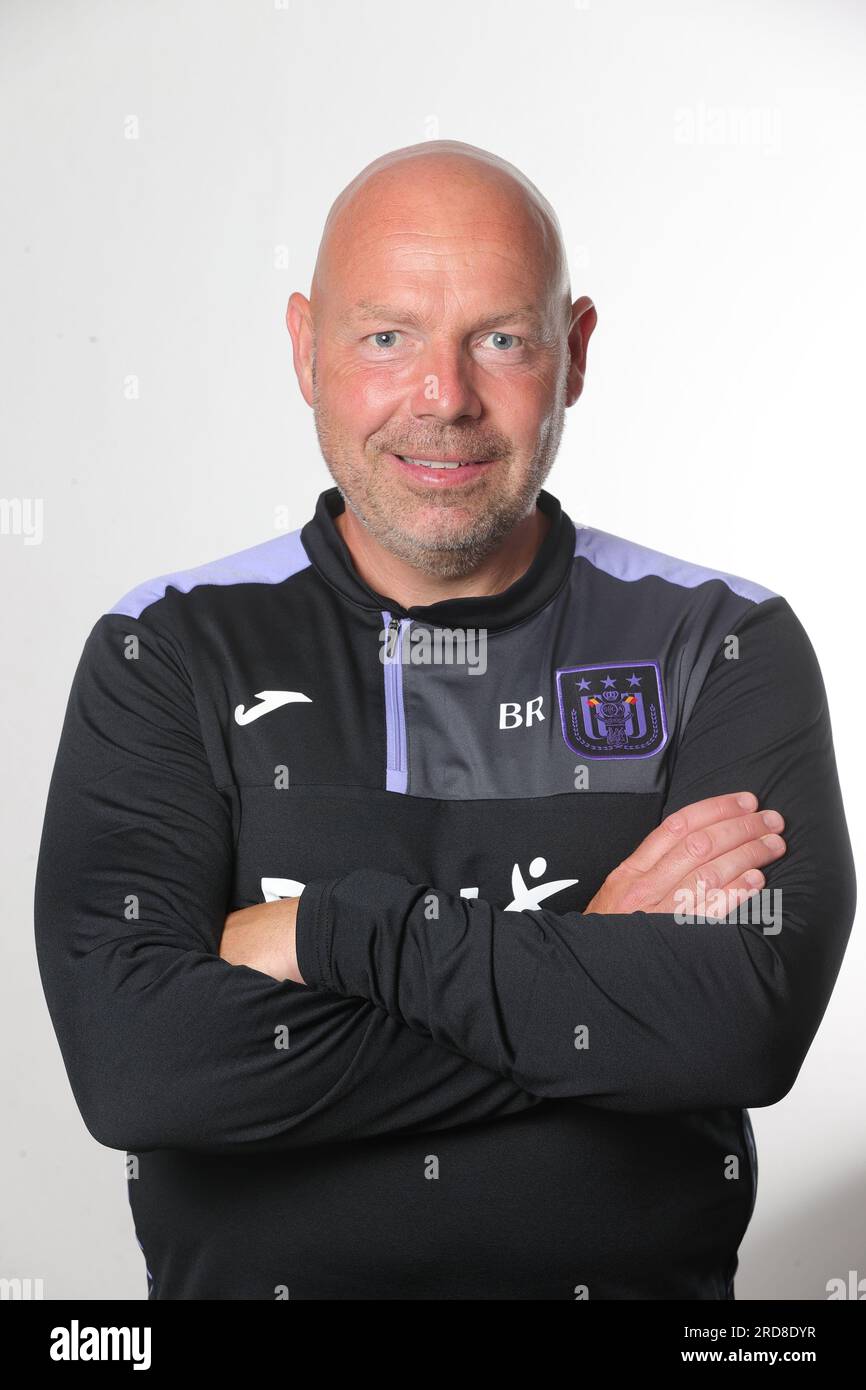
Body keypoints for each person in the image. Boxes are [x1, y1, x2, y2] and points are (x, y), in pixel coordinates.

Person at [34, 140, 856, 1300]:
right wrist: (594, 972)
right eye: (386, 337)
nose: (445, 397)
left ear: (571, 355)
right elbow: (138, 1067)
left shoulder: (720, 643)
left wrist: (329, 939)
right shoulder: (164, 648)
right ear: (302, 349)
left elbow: (739, 1027)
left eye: (501, 339)